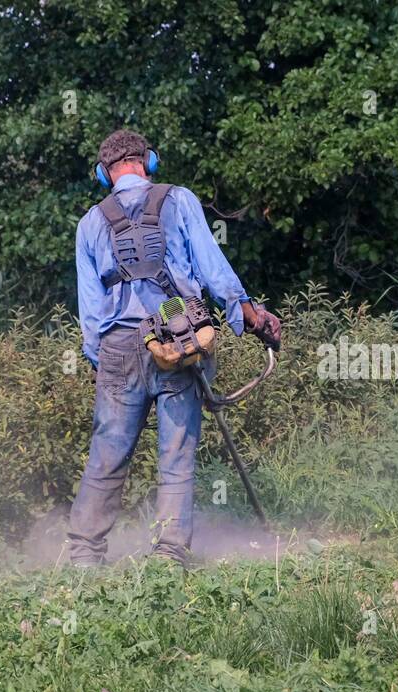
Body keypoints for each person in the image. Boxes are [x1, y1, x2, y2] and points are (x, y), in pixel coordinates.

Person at [67, 129, 281, 567]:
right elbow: (215, 272)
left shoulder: (89, 223)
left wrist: (103, 361)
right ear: (149, 161)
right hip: (178, 337)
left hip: (118, 345)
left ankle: (83, 555)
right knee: (176, 453)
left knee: (108, 450)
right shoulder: (179, 199)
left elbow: (90, 315)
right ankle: (168, 554)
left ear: (103, 174)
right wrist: (251, 316)